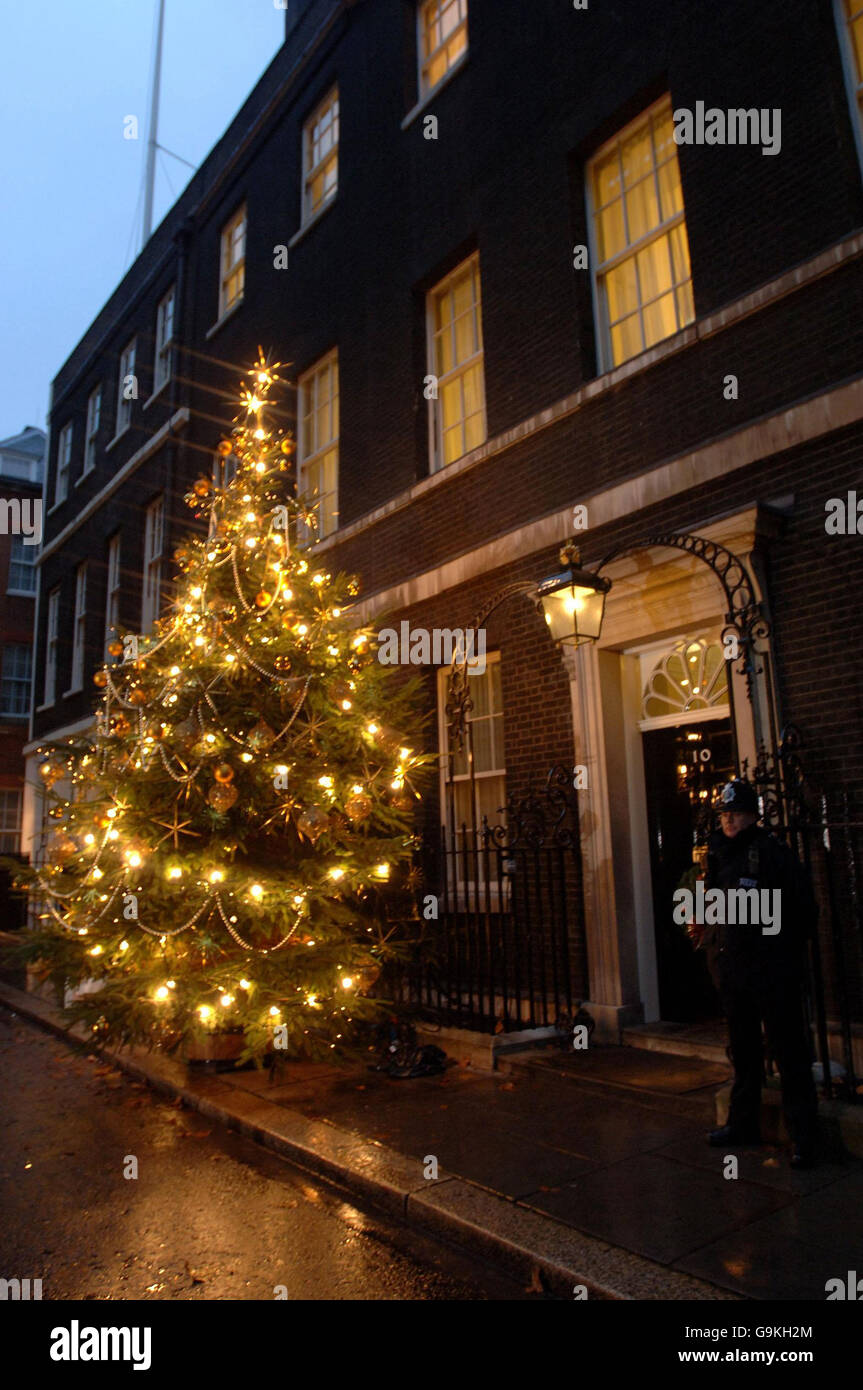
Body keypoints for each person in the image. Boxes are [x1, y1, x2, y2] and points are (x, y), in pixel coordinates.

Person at [694, 779, 819, 1168]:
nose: (730, 821)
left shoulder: (772, 853)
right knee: (744, 1053)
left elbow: (803, 910)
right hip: (734, 972)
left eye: (736, 814)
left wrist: (778, 949)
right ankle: (742, 1124)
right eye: (725, 814)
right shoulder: (716, 853)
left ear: (752, 815)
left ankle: (805, 1139)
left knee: (789, 1054)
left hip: (772, 972)